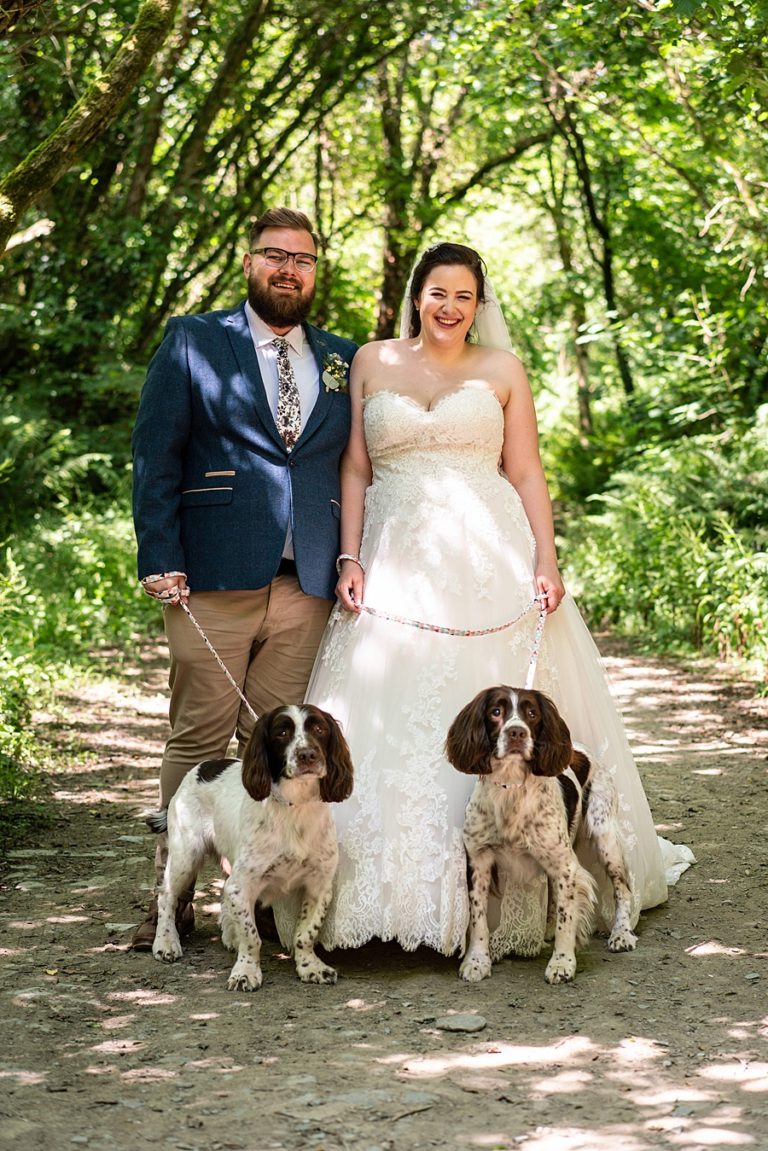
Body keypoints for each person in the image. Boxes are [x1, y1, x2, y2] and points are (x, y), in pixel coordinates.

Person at [272, 241, 690, 959]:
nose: (450, 307)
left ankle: (513, 902)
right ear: (417, 294)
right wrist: (349, 554)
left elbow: (525, 472)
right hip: (393, 553)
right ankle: (380, 903)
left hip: (488, 555)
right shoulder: (372, 362)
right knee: (385, 709)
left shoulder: (503, 371)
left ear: (479, 303)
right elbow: (353, 466)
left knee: (497, 707)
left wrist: (547, 560)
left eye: (464, 296)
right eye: (438, 292)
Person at [130, 206, 357, 949]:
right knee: (198, 739)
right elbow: (156, 456)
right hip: (212, 575)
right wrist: (159, 552)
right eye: (275, 255)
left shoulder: (343, 359)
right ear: (250, 262)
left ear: (316, 271)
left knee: (281, 745)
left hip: (307, 583)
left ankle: (262, 896)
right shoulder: (195, 340)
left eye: (303, 259)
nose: (289, 269)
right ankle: (172, 899)